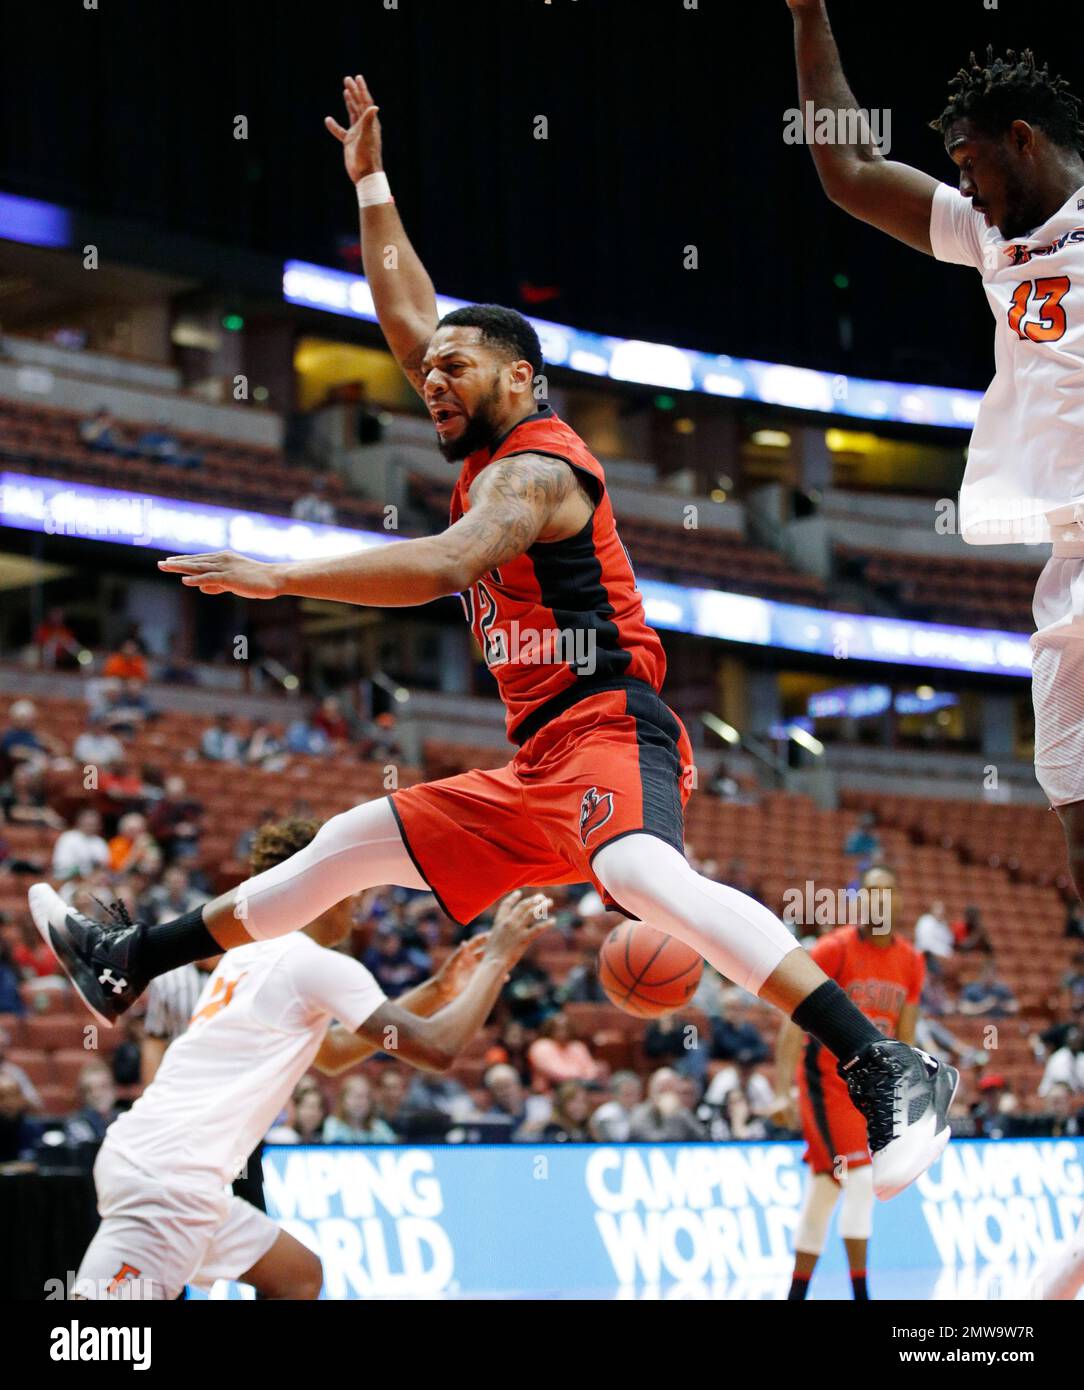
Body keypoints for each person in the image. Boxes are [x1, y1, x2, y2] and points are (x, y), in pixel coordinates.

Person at [32, 72, 957, 1206]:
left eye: (452, 369)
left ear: (520, 376)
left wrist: (285, 571)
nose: (429, 379)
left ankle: (883, 1058)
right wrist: (371, 182)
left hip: (614, 724)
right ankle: (130, 960)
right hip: (536, 760)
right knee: (341, 846)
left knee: (637, 872)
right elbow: (406, 309)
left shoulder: (535, 468)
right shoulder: (481, 431)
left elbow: (446, 565)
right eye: (426, 372)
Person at [786, 1, 1084, 921]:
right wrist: (809, 12)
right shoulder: (990, 236)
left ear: (1023, 140)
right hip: (1068, 556)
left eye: (971, 166)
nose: (967, 189)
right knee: (1068, 779)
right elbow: (849, 171)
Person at [57, 817, 552, 1299]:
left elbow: (333, 1054)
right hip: (167, 1182)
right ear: (323, 889)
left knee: (297, 1277)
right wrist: (497, 960)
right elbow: (438, 1049)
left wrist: (440, 988)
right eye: (354, 894)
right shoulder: (315, 964)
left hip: (172, 1170)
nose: (357, 911)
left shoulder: (253, 952)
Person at [774, 865, 924, 1301]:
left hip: (870, 1092)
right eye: (870, 893)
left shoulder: (911, 960)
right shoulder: (833, 948)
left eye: (887, 892)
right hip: (826, 1083)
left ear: (899, 900)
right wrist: (784, 1088)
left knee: (825, 1188)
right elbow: (791, 1022)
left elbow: (906, 1037)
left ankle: (795, 1295)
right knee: (859, 1178)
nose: (880, 901)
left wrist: (906, 1098)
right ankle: (863, 1295)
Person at [628, 1067, 706, 1142]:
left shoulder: (682, 1112)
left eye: (670, 1089)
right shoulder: (640, 1112)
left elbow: (703, 1137)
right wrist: (669, 1116)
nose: (666, 1095)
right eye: (662, 1090)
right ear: (651, 1090)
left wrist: (676, 1113)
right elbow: (655, 1142)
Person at [527, 1011, 604, 1087]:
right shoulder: (541, 1046)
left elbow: (591, 1069)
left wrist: (585, 1077)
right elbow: (554, 1072)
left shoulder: (577, 1046)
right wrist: (579, 1073)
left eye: (565, 1028)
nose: (562, 1032)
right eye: (558, 1029)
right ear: (550, 1029)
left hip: (582, 1085)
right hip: (550, 1089)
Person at [322, 1075, 396, 1144]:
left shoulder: (379, 1127)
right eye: (356, 1096)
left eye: (366, 1097)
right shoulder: (333, 1124)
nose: (361, 1102)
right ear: (343, 1100)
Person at [589, 1070, 642, 1142]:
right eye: (627, 1095)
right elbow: (619, 1140)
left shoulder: (640, 1110)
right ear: (615, 1096)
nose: (632, 1099)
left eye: (635, 1094)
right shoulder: (606, 1114)